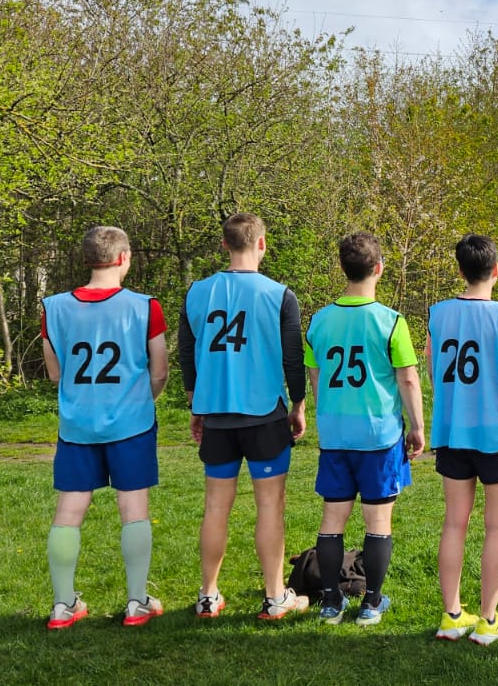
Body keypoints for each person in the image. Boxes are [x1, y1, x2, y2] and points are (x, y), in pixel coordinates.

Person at [180, 212, 309, 620]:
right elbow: (293, 358)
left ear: (224, 245)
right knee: (270, 506)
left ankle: (208, 594)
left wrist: (195, 404)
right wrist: (298, 404)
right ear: (262, 244)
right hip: (264, 414)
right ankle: (274, 597)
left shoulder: (197, 292)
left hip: (216, 414)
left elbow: (188, 354)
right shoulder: (279, 294)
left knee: (216, 507)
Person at [41, 226, 168, 630]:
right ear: (124, 258)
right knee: (133, 510)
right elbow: (160, 371)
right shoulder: (146, 306)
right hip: (131, 424)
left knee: (68, 513)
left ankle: (63, 605)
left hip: (77, 425)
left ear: (87, 259)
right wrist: (139, 399)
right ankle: (136, 602)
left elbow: (54, 372)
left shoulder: (55, 307)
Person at [303, 232, 425, 626]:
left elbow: (316, 375)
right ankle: (371, 603)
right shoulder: (390, 321)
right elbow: (407, 380)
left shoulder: (320, 320)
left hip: (336, 433)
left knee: (332, 519)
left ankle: (330, 602)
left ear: (343, 269)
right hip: (378, 435)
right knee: (377, 521)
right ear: (379, 269)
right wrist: (419, 428)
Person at [428, 234, 498, 645]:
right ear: (496, 270)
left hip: (454, 430)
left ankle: (453, 615)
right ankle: (488, 619)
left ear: (460, 270)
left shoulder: (438, 314)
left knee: (454, 523)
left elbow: (436, 366)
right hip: (496, 432)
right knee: (497, 527)